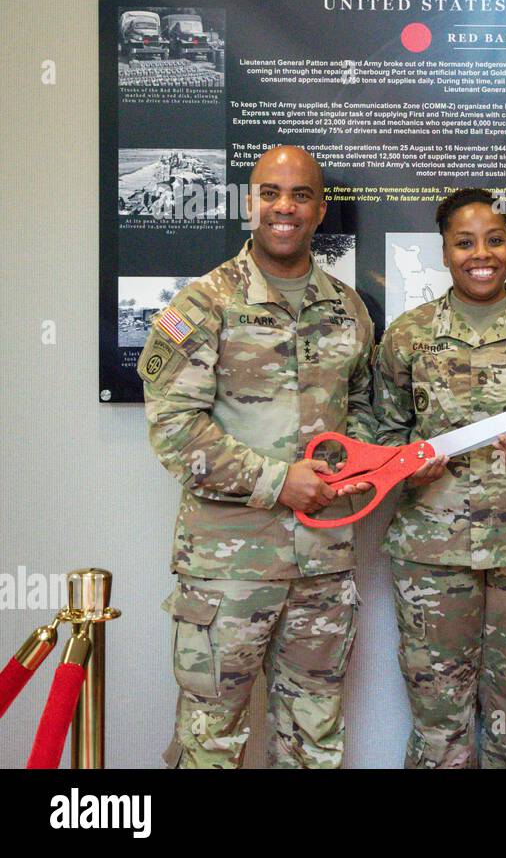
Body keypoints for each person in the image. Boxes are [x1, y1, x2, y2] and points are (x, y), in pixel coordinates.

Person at [139, 145, 376, 768]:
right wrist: (277, 481)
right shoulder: (203, 304)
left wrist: (379, 464)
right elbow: (173, 429)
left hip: (321, 566)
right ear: (251, 202)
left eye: (300, 195)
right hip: (229, 570)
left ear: (320, 210)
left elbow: (364, 417)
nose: (284, 208)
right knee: (211, 742)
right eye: (270, 192)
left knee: (314, 740)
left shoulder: (348, 310)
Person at [371, 188, 506, 768]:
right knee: (437, 723)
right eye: (464, 242)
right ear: (443, 251)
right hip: (431, 555)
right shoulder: (407, 336)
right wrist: (409, 464)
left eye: (495, 239)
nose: (482, 254)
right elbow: (380, 441)